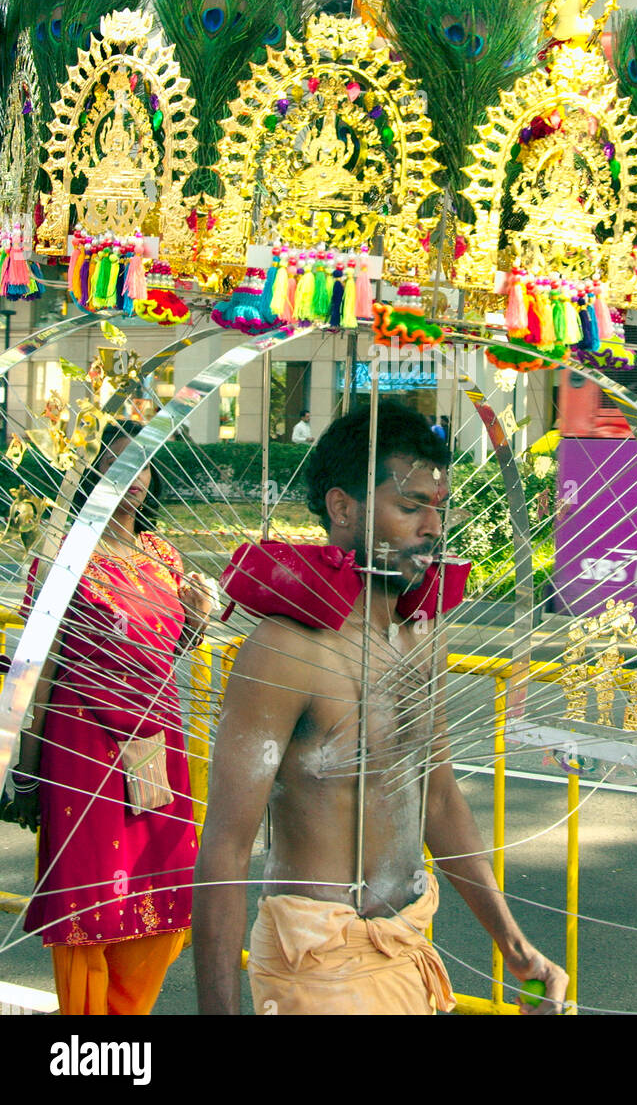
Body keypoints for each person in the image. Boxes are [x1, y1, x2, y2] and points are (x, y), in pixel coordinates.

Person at [194, 403, 568, 1016]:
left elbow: (439, 799)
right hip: (316, 967)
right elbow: (227, 850)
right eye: (410, 505)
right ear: (344, 508)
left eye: (438, 509)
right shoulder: (285, 648)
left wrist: (515, 946)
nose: (431, 527)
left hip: (408, 949)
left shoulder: (418, 637)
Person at [1, 420, 212, 1015]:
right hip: (84, 743)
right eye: (118, 463)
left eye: (142, 464)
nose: (133, 478)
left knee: (164, 889)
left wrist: (196, 614)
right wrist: (27, 763)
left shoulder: (161, 555)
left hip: (158, 737)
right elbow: (42, 665)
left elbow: (172, 648)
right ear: (95, 474)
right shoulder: (66, 556)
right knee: (91, 903)